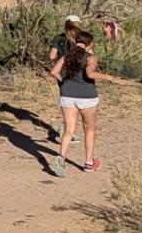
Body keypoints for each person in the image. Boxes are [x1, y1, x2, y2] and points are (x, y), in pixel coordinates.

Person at [50, 29, 125, 176]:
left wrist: (64, 82)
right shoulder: (91, 57)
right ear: (89, 43)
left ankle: (61, 157)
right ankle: (89, 163)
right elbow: (90, 74)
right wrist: (109, 77)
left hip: (67, 95)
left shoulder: (66, 56)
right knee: (89, 129)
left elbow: (53, 72)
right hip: (87, 97)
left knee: (68, 130)